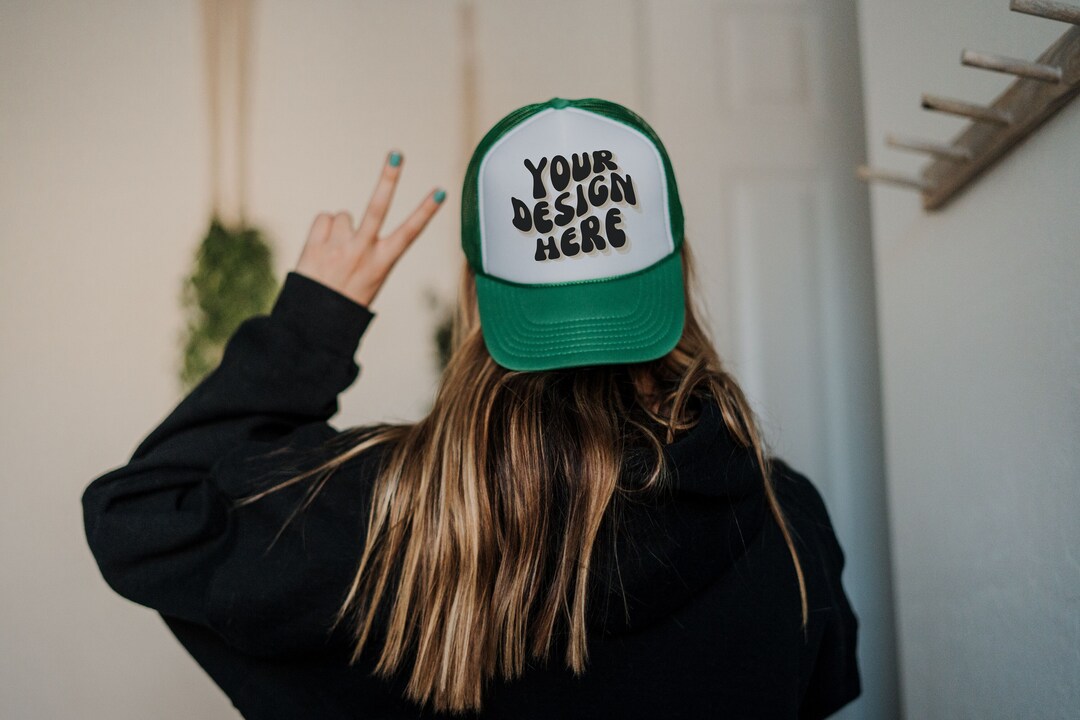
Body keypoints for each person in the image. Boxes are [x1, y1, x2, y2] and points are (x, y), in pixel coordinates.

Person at [82, 97, 861, 719]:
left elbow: (145, 514)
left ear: (477, 298)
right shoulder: (789, 523)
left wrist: (314, 323)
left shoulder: (381, 515)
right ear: (676, 268)